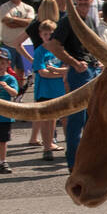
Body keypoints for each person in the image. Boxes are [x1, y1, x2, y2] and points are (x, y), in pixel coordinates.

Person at [55, 0, 104, 171]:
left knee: (92, 120)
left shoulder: (90, 19)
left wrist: (99, 60)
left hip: (93, 71)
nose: (83, 1)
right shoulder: (68, 19)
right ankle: (73, 164)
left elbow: (95, 45)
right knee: (76, 119)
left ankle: (88, 162)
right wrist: (74, 63)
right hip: (80, 73)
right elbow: (53, 44)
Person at [33, 21, 69, 161]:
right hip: (45, 90)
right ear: (40, 35)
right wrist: (60, 73)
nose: (48, 36)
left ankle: (70, 146)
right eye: (45, 34)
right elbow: (42, 72)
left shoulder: (60, 50)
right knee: (46, 119)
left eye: (50, 34)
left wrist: (56, 71)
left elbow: (68, 68)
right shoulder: (39, 51)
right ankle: (47, 148)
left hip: (60, 89)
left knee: (65, 119)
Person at [0, 0, 36, 77]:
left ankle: (20, 90)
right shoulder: (5, 7)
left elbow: (30, 23)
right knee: (7, 71)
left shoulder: (28, 8)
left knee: (22, 71)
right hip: (8, 45)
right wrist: (23, 22)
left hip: (24, 45)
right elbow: (7, 22)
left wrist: (12, 19)